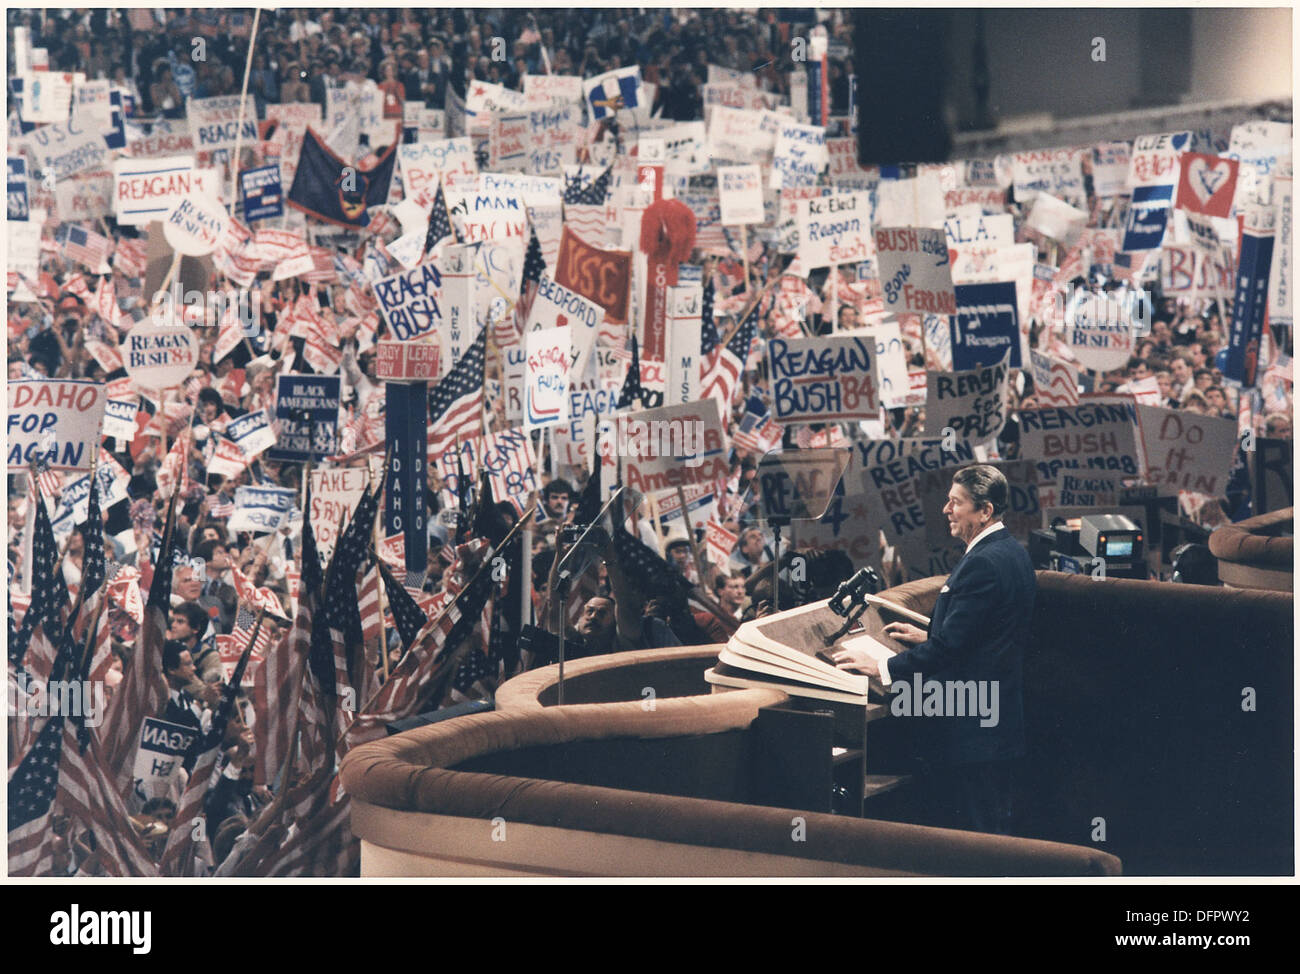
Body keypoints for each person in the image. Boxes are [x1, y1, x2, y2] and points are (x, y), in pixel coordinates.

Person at [831, 464, 1035, 835]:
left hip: (974, 732)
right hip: (996, 725)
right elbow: (985, 632)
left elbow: (949, 652)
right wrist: (931, 634)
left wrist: (882, 667)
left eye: (956, 502)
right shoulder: (1011, 552)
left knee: (976, 841)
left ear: (984, 511)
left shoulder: (983, 563)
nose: (946, 510)